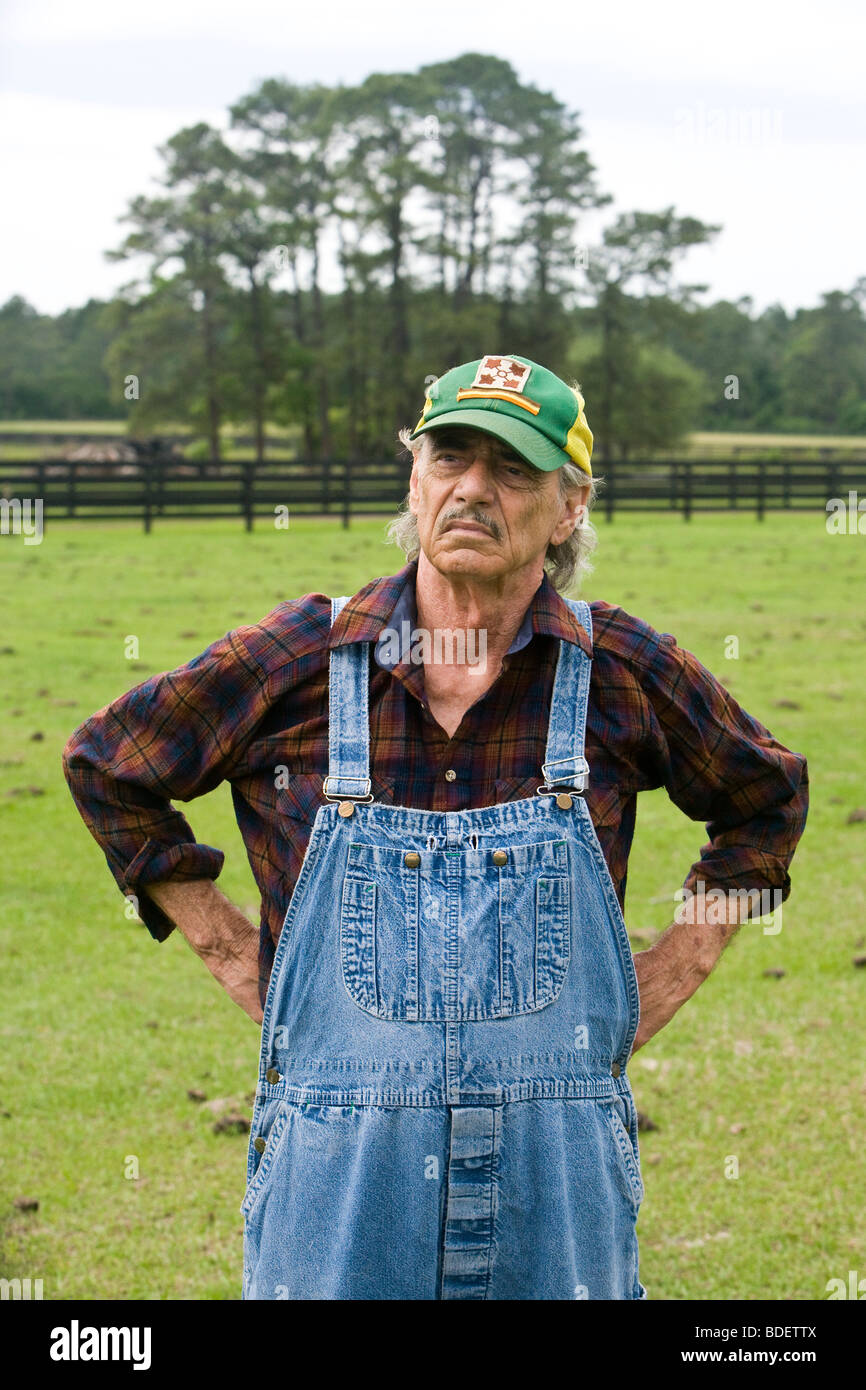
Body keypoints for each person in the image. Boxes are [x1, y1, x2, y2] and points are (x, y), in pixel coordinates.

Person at [62, 353, 808, 1300]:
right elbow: (107, 765)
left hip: (557, 1173)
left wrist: (679, 965)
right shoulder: (302, 659)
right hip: (340, 1169)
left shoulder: (621, 670)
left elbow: (767, 798)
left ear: (570, 506)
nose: (472, 489)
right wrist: (227, 950)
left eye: (511, 470)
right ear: (415, 477)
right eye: (450, 457)